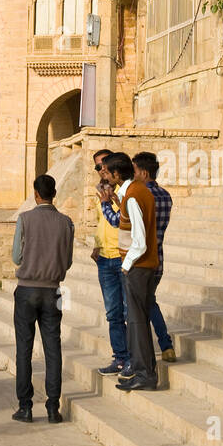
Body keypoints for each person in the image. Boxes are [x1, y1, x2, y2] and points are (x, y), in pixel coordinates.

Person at [10, 174, 74, 423]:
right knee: (53, 347)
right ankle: (52, 407)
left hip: (26, 289)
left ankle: (25, 407)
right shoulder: (66, 222)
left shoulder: (25, 219)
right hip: (54, 290)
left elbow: (16, 257)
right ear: (53, 194)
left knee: (24, 349)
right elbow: (67, 261)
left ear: (36, 194)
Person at [102, 151, 161, 392]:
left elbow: (140, 241)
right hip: (140, 266)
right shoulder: (133, 192)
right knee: (137, 322)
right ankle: (141, 370)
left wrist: (126, 267)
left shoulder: (135, 195)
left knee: (136, 322)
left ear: (117, 174)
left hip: (138, 266)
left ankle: (145, 374)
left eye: (108, 172)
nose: (105, 176)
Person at [91, 148, 132, 379]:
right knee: (113, 312)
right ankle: (120, 357)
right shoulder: (99, 191)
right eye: (98, 166)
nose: (102, 170)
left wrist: (111, 200)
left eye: (105, 165)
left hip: (122, 256)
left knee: (129, 311)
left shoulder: (125, 190)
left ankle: (134, 358)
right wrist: (97, 245)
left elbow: (119, 221)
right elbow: (100, 222)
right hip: (105, 258)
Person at [131, 151, 176, 363]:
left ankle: (148, 352)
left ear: (144, 172)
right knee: (149, 302)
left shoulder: (141, 196)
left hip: (142, 259)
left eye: (135, 171)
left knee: (140, 307)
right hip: (158, 257)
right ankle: (165, 345)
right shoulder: (166, 196)